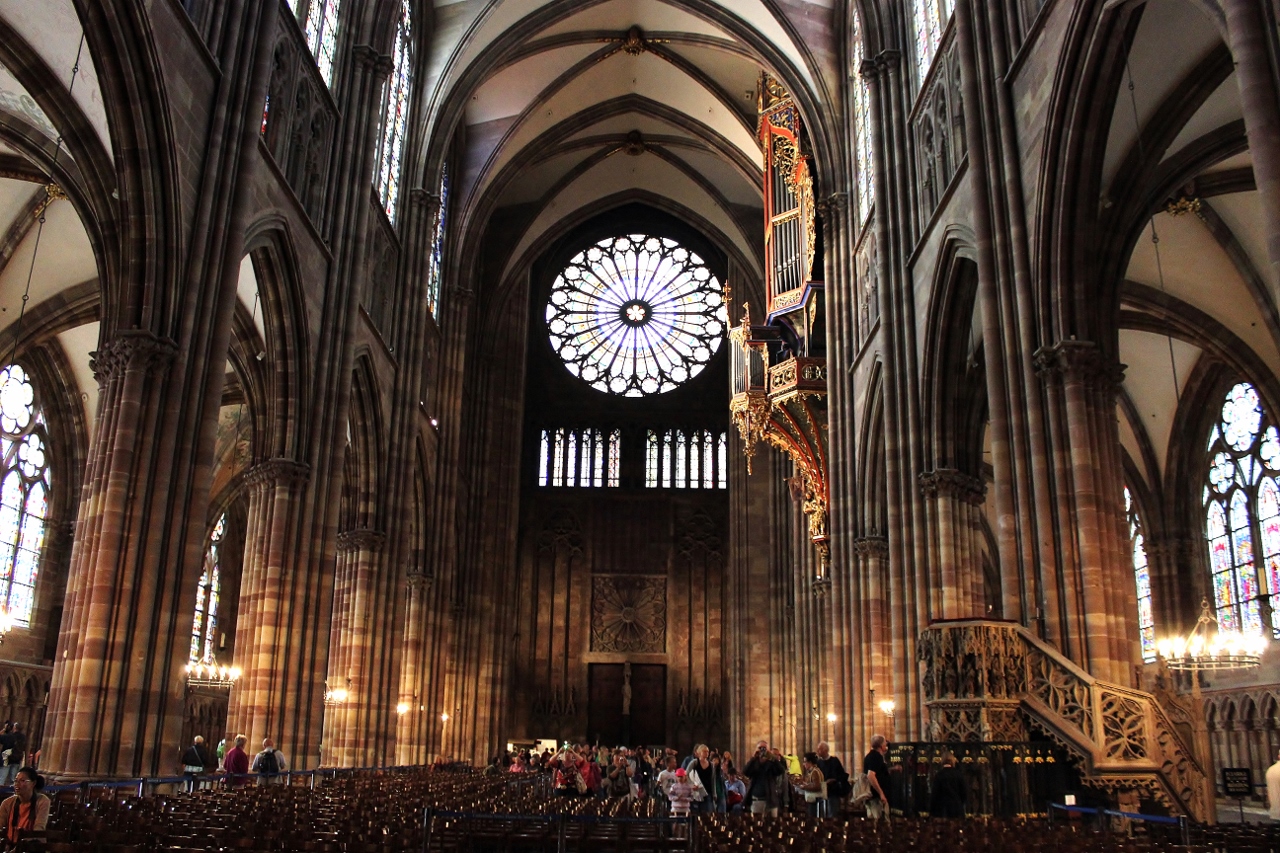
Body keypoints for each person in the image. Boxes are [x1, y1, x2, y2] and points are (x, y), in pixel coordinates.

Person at [0, 767, 48, 847]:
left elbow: (39, 828)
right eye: (16, 781)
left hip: (32, 845)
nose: (17, 784)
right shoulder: (7, 803)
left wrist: (21, 846)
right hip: (8, 845)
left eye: (22, 781)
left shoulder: (42, 801)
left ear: (33, 783)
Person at [743, 740, 785, 816]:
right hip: (757, 799)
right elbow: (745, 772)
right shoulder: (754, 763)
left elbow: (781, 770)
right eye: (760, 748)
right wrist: (753, 758)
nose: (762, 750)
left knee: (773, 822)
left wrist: (772, 758)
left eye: (764, 748)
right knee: (756, 821)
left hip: (771, 800)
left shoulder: (771, 763)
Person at [815, 742, 849, 817]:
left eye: (820, 749)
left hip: (833, 791)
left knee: (832, 814)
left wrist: (833, 780)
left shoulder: (834, 761)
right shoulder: (819, 762)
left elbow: (841, 775)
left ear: (825, 750)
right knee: (821, 813)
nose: (818, 751)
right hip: (822, 791)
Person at [930, 751, 966, 818]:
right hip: (957, 809)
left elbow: (935, 794)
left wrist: (932, 812)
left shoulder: (939, 775)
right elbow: (964, 793)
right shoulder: (958, 774)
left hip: (942, 809)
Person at [863, 734, 890, 820]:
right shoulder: (876, 757)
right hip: (876, 797)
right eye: (885, 742)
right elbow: (871, 775)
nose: (886, 744)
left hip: (873, 796)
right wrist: (881, 793)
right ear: (881, 745)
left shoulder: (870, 756)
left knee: (874, 820)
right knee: (879, 821)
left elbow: (879, 772)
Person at [797, 752, 828, 817]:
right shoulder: (814, 771)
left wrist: (804, 787)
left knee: (812, 818)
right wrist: (804, 783)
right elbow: (812, 783)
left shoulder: (815, 772)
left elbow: (817, 786)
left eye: (805, 762)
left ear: (810, 762)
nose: (803, 764)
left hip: (815, 801)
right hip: (814, 800)